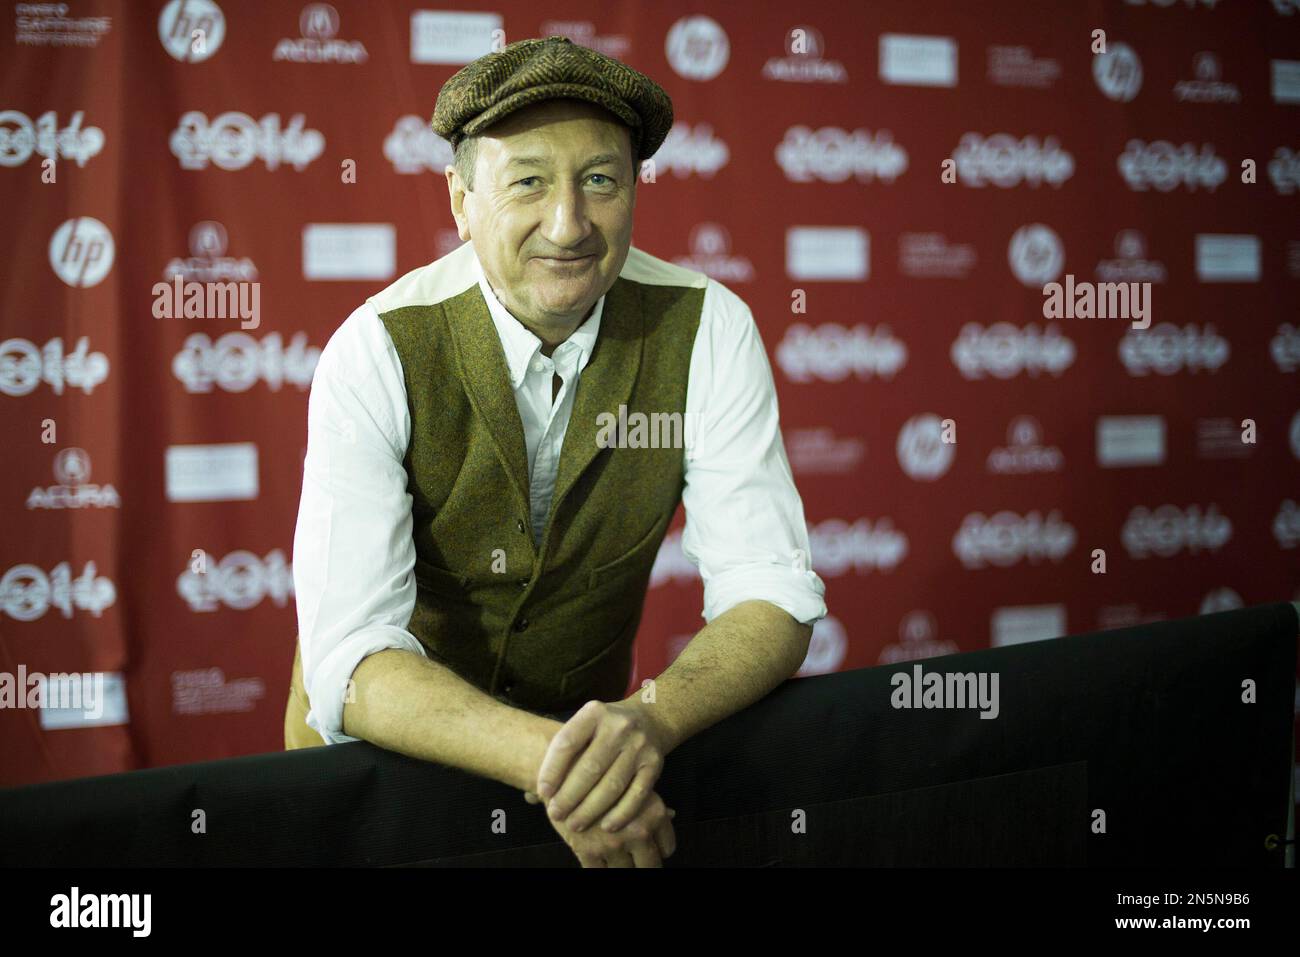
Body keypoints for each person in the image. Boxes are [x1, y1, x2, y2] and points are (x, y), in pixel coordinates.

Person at [284, 35, 827, 867]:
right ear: (462, 200)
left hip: (604, 774)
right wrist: (565, 767)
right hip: (389, 782)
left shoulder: (710, 327)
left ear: (636, 190)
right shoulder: (377, 348)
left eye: (600, 180)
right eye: (528, 181)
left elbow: (772, 591)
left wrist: (652, 720)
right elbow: (351, 657)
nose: (568, 223)